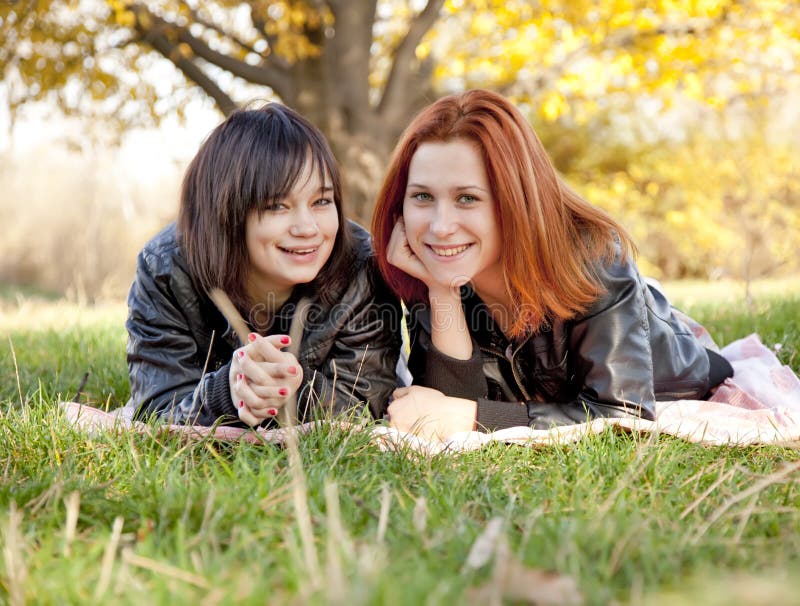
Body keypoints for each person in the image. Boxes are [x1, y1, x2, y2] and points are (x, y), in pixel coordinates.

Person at [371, 89, 733, 441]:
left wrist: (478, 418)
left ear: (516, 200)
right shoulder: (429, 267)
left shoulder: (595, 259)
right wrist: (441, 292)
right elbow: (442, 411)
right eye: (422, 196)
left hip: (673, 364)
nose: (439, 226)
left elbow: (624, 417)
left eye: (467, 198)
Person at [126, 103, 401, 427]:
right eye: (277, 206)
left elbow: (367, 404)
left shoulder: (362, 267)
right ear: (226, 213)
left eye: (321, 201)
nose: (307, 228)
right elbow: (156, 406)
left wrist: (290, 388)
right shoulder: (165, 268)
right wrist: (227, 391)